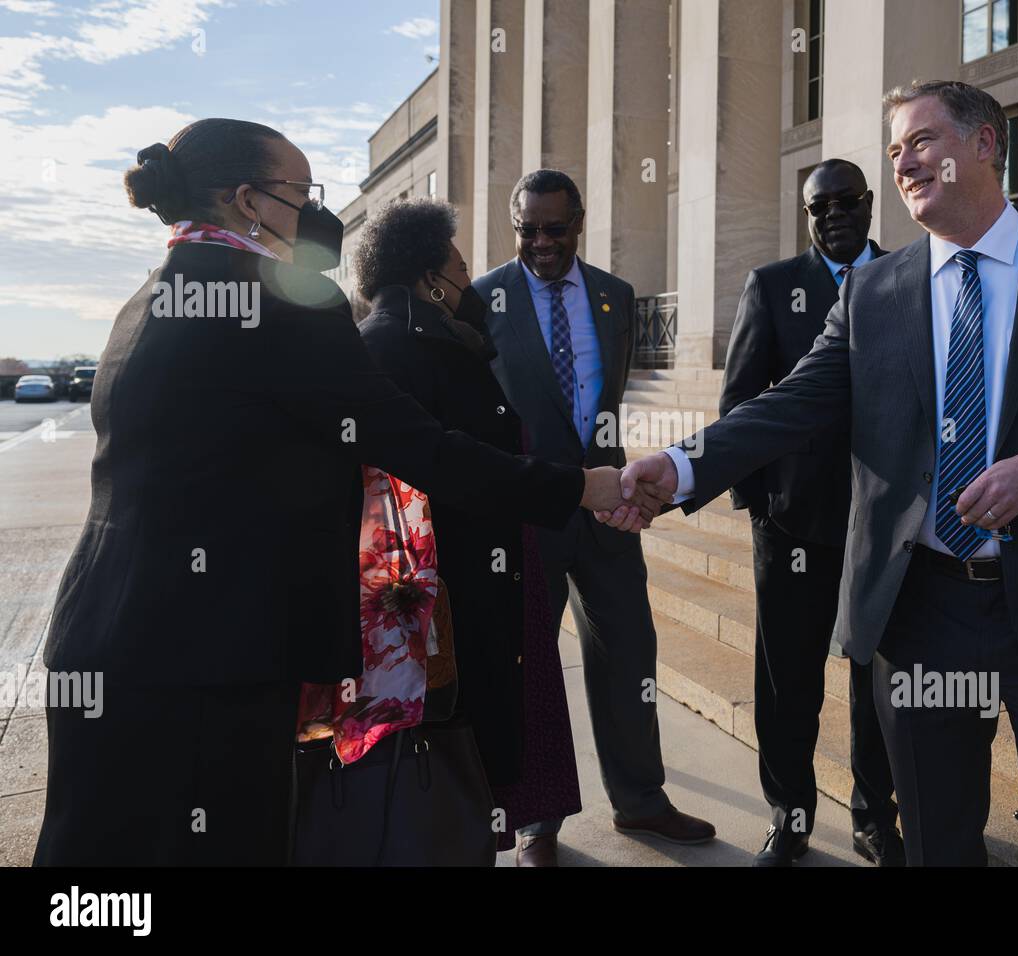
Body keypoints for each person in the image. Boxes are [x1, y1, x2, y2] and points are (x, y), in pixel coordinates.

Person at [612, 80, 1018, 866]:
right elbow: (788, 406)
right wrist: (682, 466)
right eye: (894, 151)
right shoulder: (874, 292)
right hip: (921, 612)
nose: (903, 164)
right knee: (936, 842)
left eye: (921, 141)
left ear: (987, 144)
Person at [32, 119, 648, 867]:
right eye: (301, 190)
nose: (313, 210)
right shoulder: (289, 304)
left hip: (104, 633)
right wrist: (578, 487)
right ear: (249, 200)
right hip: (213, 657)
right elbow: (420, 446)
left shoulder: (150, 296)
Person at [474, 169, 715, 865]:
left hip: (607, 513)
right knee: (532, 666)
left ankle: (640, 801)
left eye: (555, 228)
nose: (542, 243)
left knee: (629, 654)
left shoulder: (614, 296)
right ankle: (537, 821)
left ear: (579, 221)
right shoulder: (482, 299)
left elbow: (603, 407)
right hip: (530, 514)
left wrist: (624, 483)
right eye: (527, 231)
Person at [352, 198, 582, 862]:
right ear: (429, 275)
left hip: (481, 564)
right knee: (457, 742)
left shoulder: (419, 337)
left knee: (482, 731)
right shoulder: (404, 344)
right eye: (456, 263)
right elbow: (451, 459)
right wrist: (568, 486)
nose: (466, 276)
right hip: (450, 583)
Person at [720, 157, 900, 866]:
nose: (834, 215)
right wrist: (760, 507)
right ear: (807, 215)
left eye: (846, 202)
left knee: (875, 684)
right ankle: (790, 814)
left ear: (867, 204)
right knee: (787, 679)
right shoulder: (770, 287)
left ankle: (873, 818)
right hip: (792, 526)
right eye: (818, 206)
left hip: (885, 526)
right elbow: (740, 403)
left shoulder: (907, 277)